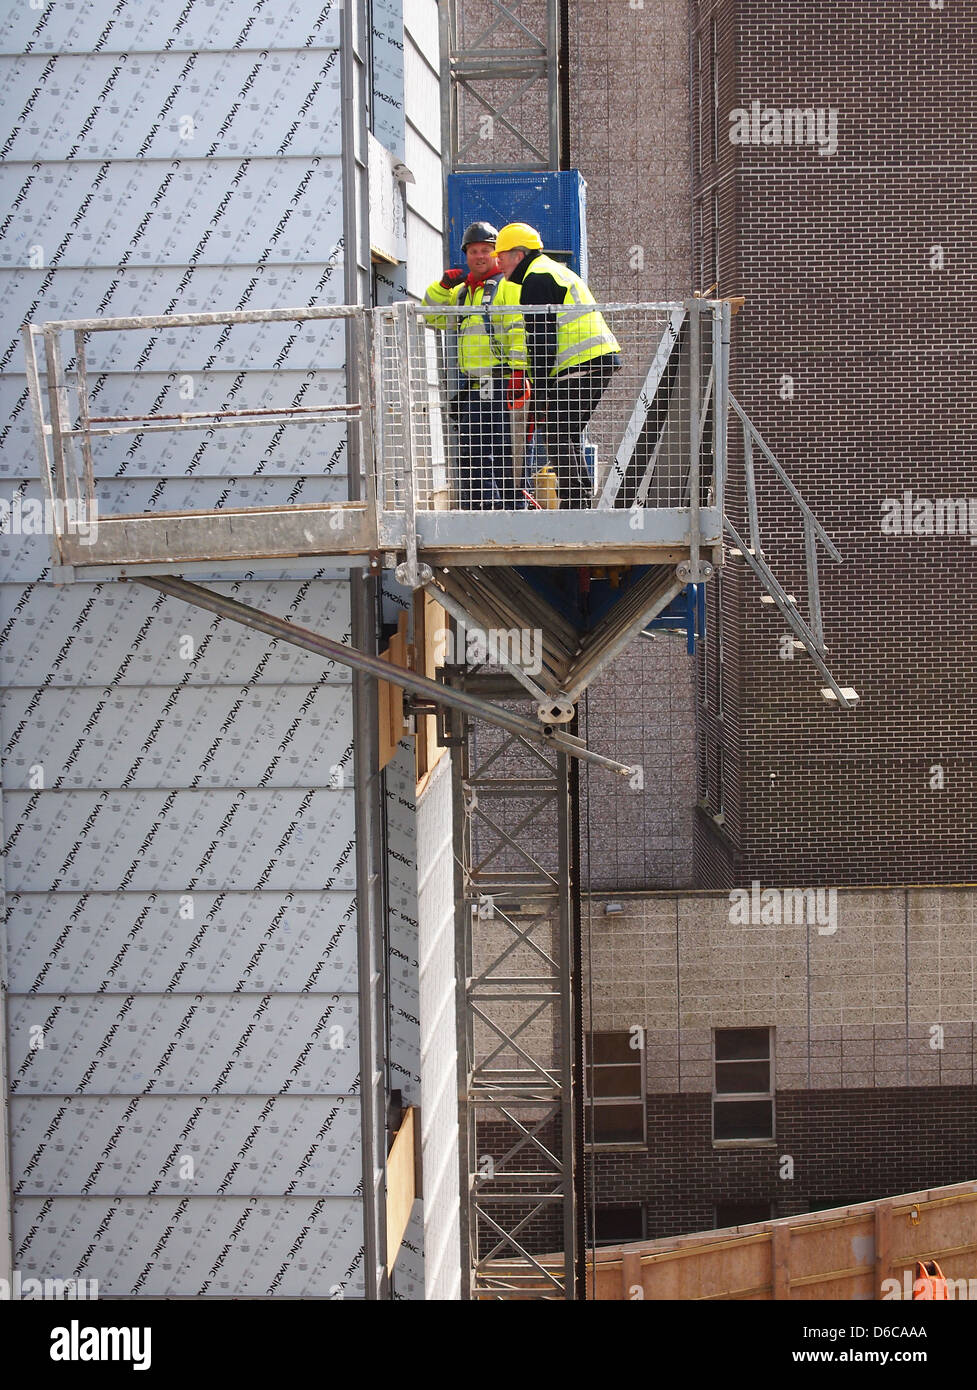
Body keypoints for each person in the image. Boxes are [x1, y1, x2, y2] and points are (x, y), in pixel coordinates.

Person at [494, 222, 621, 508]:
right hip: (592, 361)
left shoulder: (536, 279)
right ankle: (578, 501)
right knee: (564, 431)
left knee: (557, 432)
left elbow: (541, 342)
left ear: (518, 254)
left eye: (501, 255)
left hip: (584, 363)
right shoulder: (549, 271)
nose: (497, 262)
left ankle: (574, 503)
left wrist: (540, 392)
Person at [423, 221, 528, 509]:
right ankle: (480, 516)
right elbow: (434, 317)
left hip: (503, 383)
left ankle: (514, 516)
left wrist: (519, 373)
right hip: (475, 388)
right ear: (466, 255)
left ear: (496, 253)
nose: (480, 256)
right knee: (475, 456)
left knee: (508, 455)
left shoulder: (507, 287)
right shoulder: (462, 292)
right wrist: (442, 286)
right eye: (473, 251)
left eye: (486, 250)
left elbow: (519, 329)